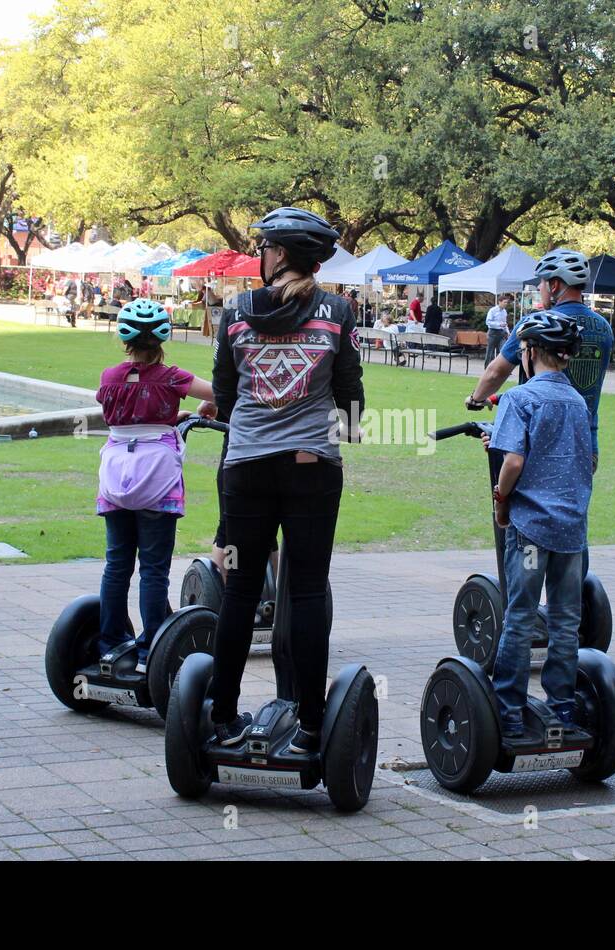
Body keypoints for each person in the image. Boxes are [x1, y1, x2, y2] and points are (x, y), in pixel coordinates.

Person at [207, 206, 364, 751]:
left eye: (265, 247)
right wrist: (344, 430)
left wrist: (250, 426)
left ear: (277, 255)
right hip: (311, 469)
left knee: (242, 592)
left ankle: (223, 718)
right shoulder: (338, 311)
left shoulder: (236, 311)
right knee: (307, 590)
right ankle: (311, 726)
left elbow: (224, 394)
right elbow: (349, 389)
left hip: (245, 467)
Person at [468, 248, 613, 587]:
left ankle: (522, 606)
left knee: (525, 518)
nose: (541, 290)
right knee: (572, 517)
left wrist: (475, 399)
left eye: (544, 284)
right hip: (583, 441)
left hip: (535, 441)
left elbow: (496, 370)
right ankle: (570, 602)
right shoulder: (603, 329)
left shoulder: (534, 324)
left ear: (556, 284)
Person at [487, 310, 592, 741]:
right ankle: (563, 708)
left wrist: (501, 497)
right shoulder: (578, 401)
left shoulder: (521, 398)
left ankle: (508, 710)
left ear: (529, 353)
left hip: (530, 526)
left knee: (521, 616)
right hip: (572, 527)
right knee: (566, 621)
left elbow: (513, 460)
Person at [94, 299, 216, 671]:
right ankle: (151, 649)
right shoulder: (173, 377)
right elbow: (218, 393)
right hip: (156, 480)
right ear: (163, 337)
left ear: (124, 339)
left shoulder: (109, 377)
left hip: (117, 475)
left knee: (117, 563)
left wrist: (165, 416)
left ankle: (109, 641)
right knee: (154, 569)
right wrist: (199, 412)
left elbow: (128, 414)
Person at [484, 294, 510, 367]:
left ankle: (500, 367)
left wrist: (508, 332)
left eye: (507, 302)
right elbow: (488, 322)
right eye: (504, 302)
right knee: (490, 351)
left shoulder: (504, 311)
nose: (506, 304)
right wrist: (498, 324)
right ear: (499, 302)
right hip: (493, 332)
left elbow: (505, 323)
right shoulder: (492, 310)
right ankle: (487, 368)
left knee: (502, 351)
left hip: (502, 333)